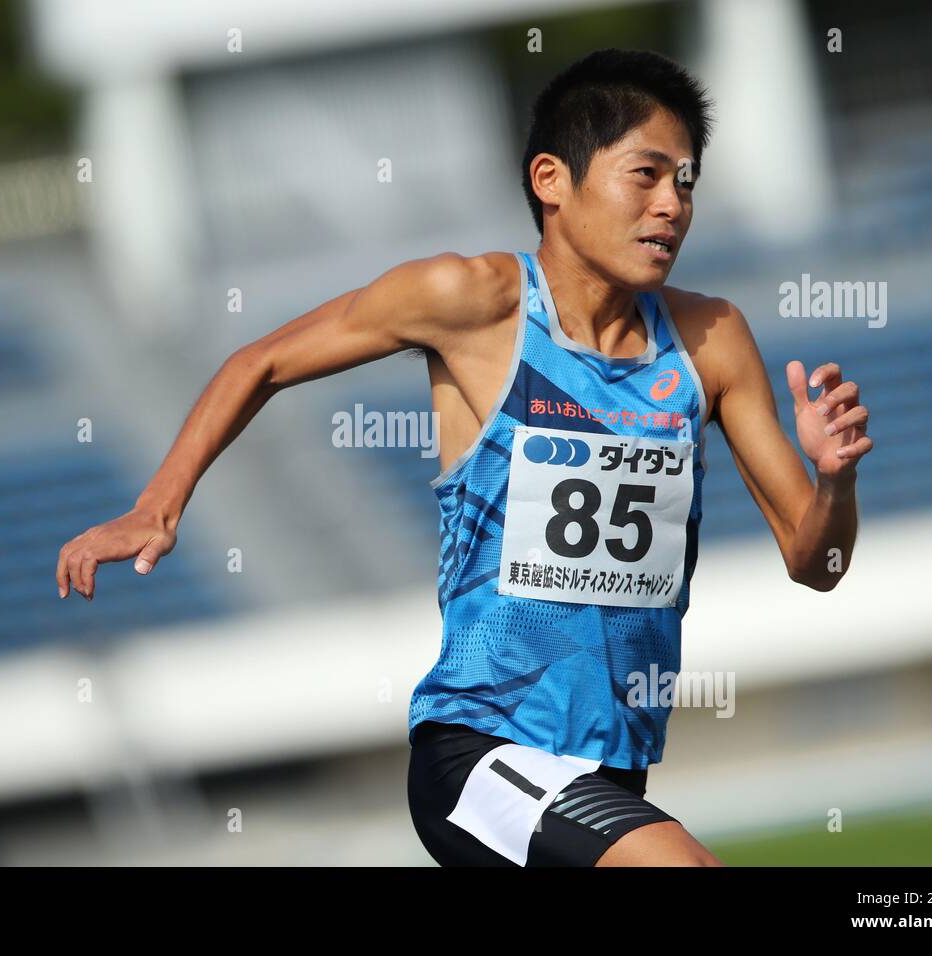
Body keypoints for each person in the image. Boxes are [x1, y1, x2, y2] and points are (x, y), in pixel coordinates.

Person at [56, 48, 873, 867]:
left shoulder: (711, 341)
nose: (672, 206)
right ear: (552, 180)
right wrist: (157, 507)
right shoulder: (472, 304)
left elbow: (820, 563)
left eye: (686, 183)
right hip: (481, 751)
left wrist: (834, 483)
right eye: (647, 175)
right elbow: (259, 363)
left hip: (616, 771)